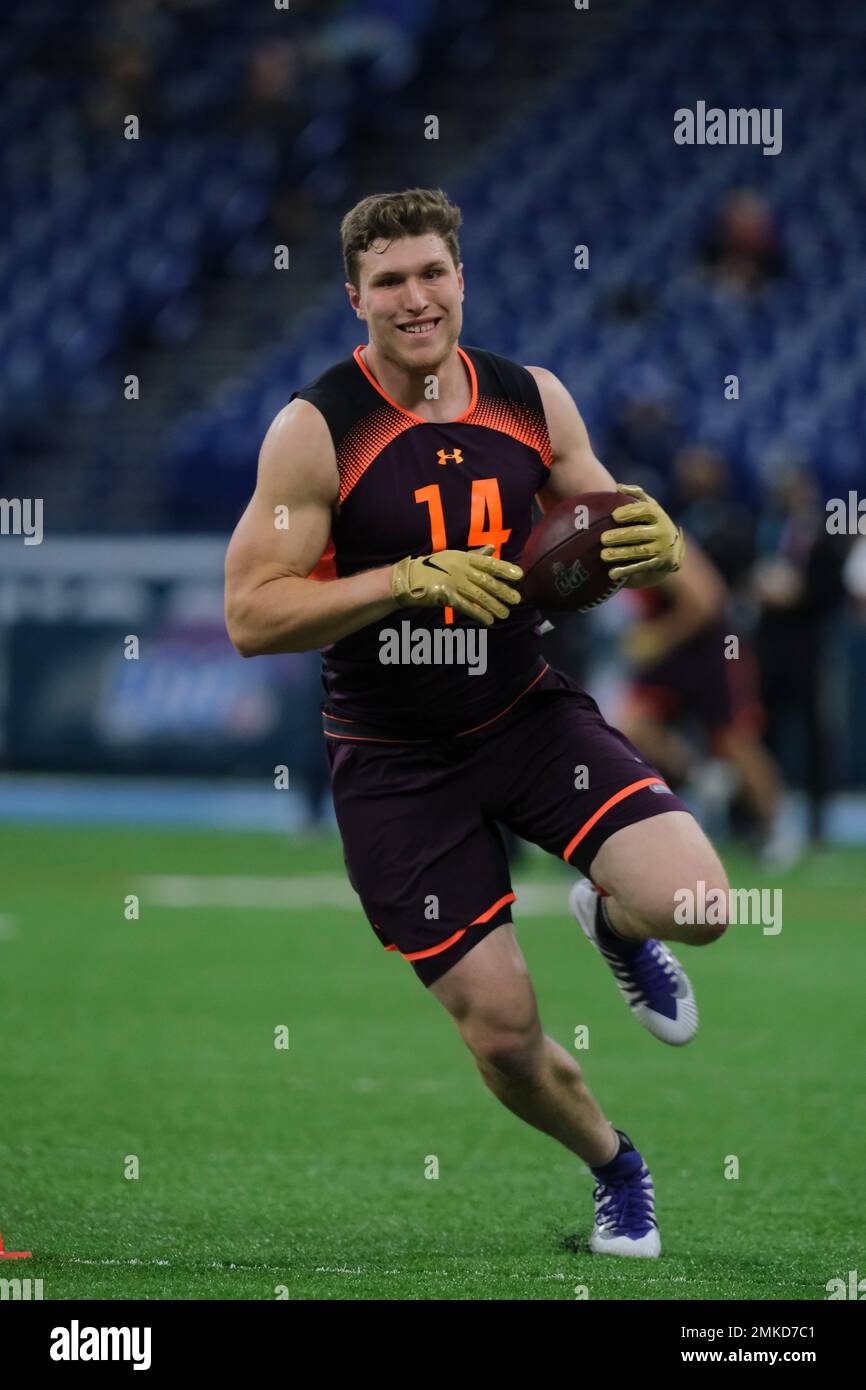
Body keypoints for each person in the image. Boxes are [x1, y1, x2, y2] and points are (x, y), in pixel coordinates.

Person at [224, 188, 730, 1258]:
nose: (415, 298)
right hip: (394, 759)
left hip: (521, 712)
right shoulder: (314, 430)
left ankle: (617, 922)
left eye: (431, 273)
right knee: (502, 1036)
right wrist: (400, 581)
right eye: (391, 281)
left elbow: (608, 512)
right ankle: (614, 1165)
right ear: (353, 296)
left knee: (697, 902)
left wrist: (653, 536)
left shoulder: (531, 398)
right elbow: (248, 612)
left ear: (461, 276)